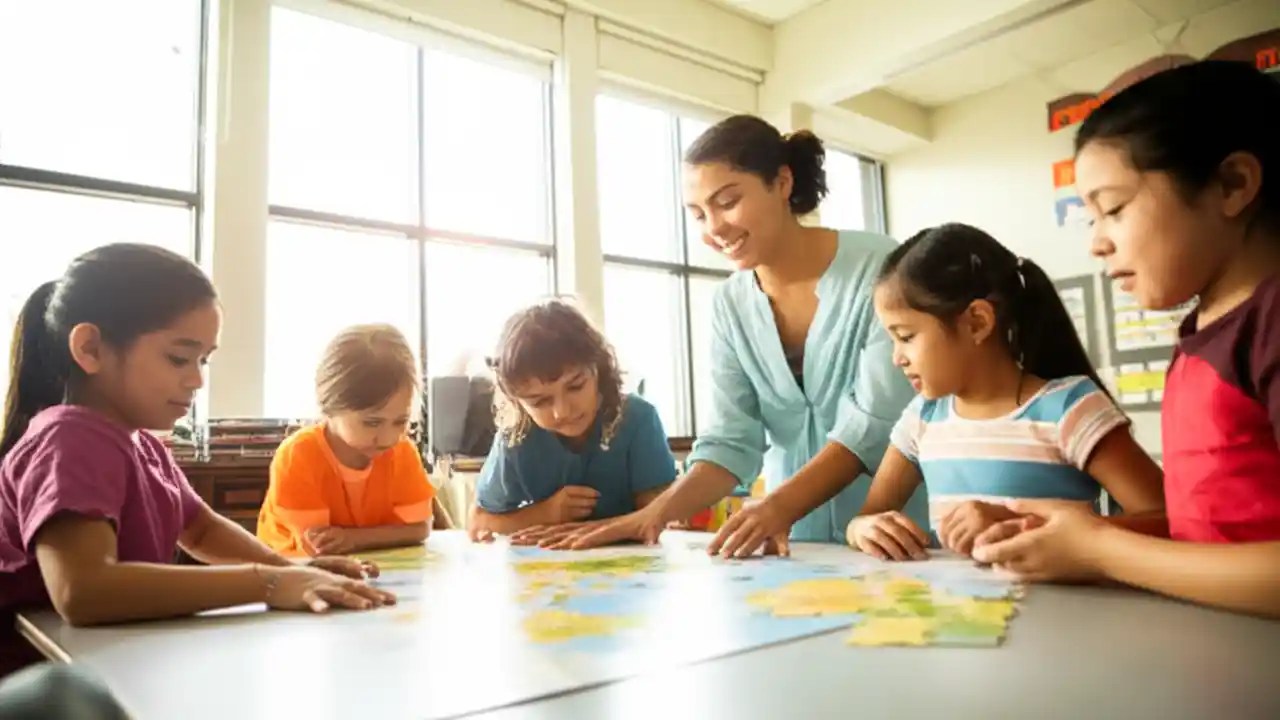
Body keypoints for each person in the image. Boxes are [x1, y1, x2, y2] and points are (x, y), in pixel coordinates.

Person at [515, 115, 926, 556]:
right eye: (697, 214)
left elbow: (874, 423)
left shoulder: (880, 266)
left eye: (727, 201)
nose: (713, 229)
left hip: (894, 537)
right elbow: (732, 440)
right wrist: (650, 516)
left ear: (783, 182)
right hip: (796, 548)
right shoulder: (730, 305)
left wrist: (776, 506)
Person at [973, 61, 1280, 619]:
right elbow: (1214, 528)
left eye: (1112, 209)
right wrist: (1072, 535)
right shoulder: (1202, 335)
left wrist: (1103, 549)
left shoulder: (1270, 324)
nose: (1097, 243)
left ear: (1233, 184)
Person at [0, 245, 391, 678]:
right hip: (43, 688)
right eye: (179, 358)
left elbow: (200, 527)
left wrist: (292, 568)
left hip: (110, 670)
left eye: (204, 359)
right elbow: (82, 590)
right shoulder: (67, 437)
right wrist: (269, 580)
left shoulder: (142, 445)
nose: (198, 379)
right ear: (91, 348)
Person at [846, 223, 1164, 560]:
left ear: (977, 322)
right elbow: (867, 517)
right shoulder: (921, 419)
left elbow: (1168, 521)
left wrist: (1021, 525)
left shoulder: (1069, 409)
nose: (897, 358)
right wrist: (862, 529)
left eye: (906, 337)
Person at [468, 299, 676, 540]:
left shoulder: (638, 419)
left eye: (576, 386)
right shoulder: (516, 437)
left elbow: (659, 516)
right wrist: (545, 513)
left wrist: (588, 532)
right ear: (517, 403)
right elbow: (478, 520)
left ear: (598, 368)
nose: (562, 411)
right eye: (539, 402)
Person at [258, 324, 435, 556]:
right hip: (294, 570)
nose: (389, 438)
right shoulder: (298, 456)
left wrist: (354, 539)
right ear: (330, 407)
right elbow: (319, 546)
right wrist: (376, 537)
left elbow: (420, 529)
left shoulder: (402, 451)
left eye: (400, 421)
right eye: (372, 422)